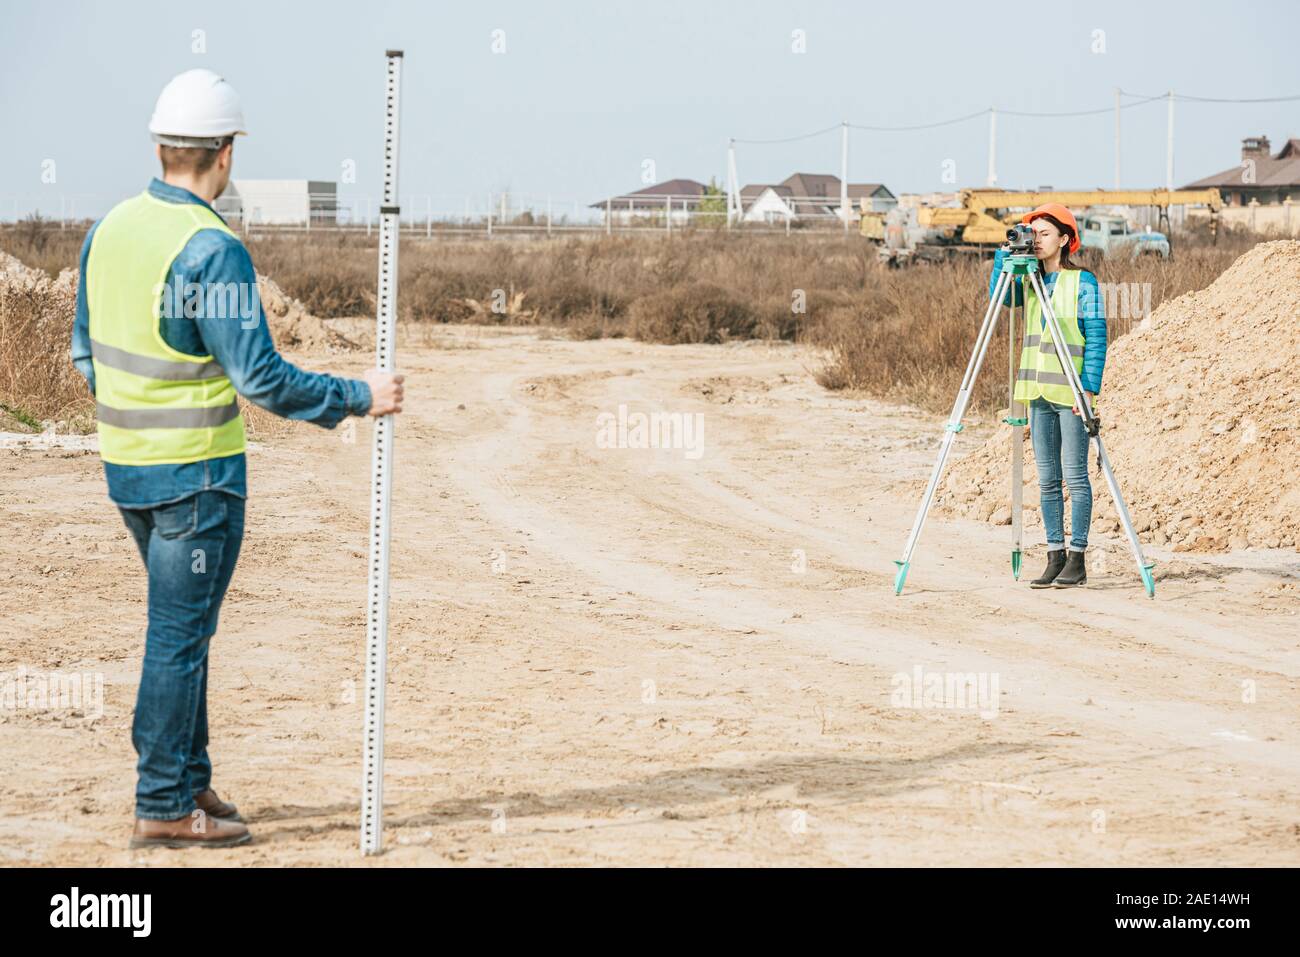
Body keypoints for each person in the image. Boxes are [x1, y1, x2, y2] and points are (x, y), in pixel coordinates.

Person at [70, 68, 405, 849]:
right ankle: (163, 800)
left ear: (161, 148)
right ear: (223, 155)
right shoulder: (211, 251)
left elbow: (86, 354)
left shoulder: (108, 230)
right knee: (178, 637)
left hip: (129, 473)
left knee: (184, 631)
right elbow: (261, 378)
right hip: (197, 478)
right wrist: (360, 395)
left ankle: (187, 781)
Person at [988, 203, 1106, 589]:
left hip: (1071, 392)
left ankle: (1078, 558)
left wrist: (1088, 388)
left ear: (1065, 240)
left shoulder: (1083, 282)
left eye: (1043, 234)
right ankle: (1054, 555)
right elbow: (1001, 300)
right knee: (1048, 480)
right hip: (1036, 391)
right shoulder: (1028, 279)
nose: (1035, 240)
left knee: (1075, 476)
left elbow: (1096, 338)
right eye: (1030, 233)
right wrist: (1001, 261)